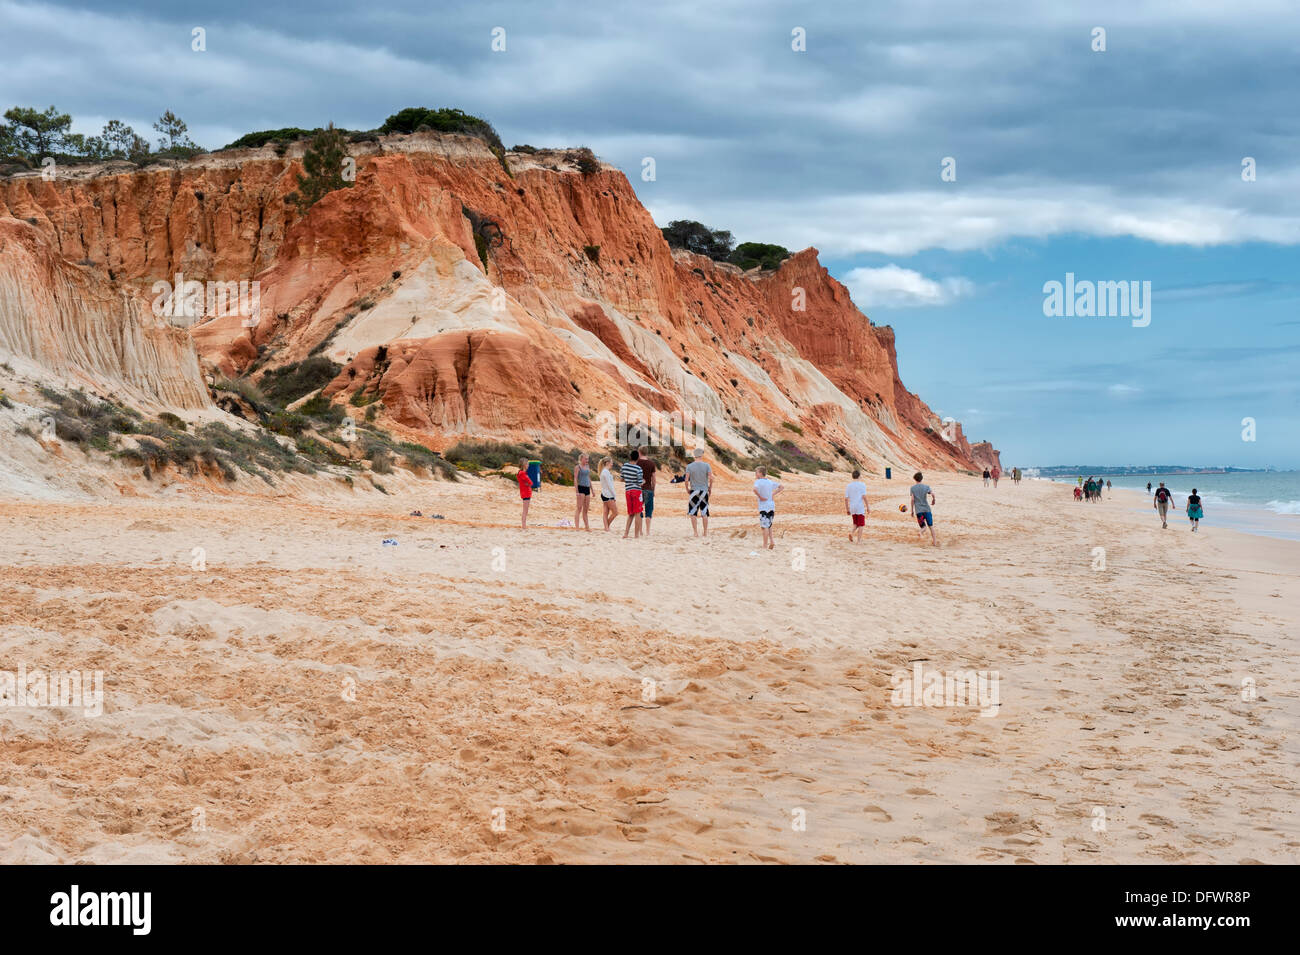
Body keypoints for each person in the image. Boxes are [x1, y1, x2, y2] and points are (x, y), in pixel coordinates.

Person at [684, 446, 713, 537]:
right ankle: (705, 532)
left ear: (694, 455)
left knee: (693, 512)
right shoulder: (707, 465)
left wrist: (687, 489)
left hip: (694, 491)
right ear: (701, 455)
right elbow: (711, 478)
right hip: (704, 491)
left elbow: (686, 480)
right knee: (704, 512)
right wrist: (710, 488)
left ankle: (695, 532)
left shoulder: (689, 466)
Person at [752, 466, 783, 550]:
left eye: (756, 472)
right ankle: (772, 541)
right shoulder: (770, 481)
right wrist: (773, 494)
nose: (755, 474)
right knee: (769, 524)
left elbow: (754, 490)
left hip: (764, 506)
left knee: (764, 527)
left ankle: (765, 545)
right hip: (771, 506)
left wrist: (760, 497)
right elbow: (781, 487)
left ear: (760, 473)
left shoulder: (758, 481)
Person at [620, 450, 645, 539]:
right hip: (636, 491)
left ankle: (626, 533)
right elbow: (639, 482)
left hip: (628, 491)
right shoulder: (638, 469)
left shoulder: (624, 466)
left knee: (630, 513)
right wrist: (643, 481)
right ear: (638, 458)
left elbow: (621, 479)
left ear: (630, 457)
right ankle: (636, 535)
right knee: (638, 513)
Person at [910, 471, 937, 546]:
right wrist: (933, 499)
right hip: (927, 510)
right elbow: (933, 494)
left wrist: (912, 511)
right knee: (931, 527)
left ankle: (920, 532)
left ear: (915, 479)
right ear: (921, 479)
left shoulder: (912, 488)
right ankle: (934, 543)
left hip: (919, 511)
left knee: (923, 527)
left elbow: (912, 500)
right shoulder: (926, 487)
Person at [637, 446, 658, 537]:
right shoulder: (651, 463)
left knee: (639, 510)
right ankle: (648, 531)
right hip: (648, 489)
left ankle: (640, 531)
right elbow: (654, 479)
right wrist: (653, 490)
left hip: (639, 490)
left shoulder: (637, 463)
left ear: (639, 452)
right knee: (649, 511)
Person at [845, 469, 870, 542]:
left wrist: (847, 509)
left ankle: (851, 533)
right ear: (859, 476)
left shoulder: (848, 486)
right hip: (859, 507)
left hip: (852, 507)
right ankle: (858, 541)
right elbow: (864, 497)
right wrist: (868, 507)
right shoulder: (862, 485)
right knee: (861, 525)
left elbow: (846, 499)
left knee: (855, 523)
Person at [572, 453, 592, 530]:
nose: (587, 460)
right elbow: (575, 479)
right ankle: (577, 527)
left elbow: (589, 478)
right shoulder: (577, 467)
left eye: (588, 459)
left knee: (586, 509)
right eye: (586, 459)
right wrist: (576, 491)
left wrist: (592, 489)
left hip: (587, 488)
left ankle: (587, 527)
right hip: (581, 488)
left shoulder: (587, 467)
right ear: (581, 459)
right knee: (579, 508)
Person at [599, 457, 618, 531]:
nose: (612, 464)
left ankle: (606, 528)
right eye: (611, 462)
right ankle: (607, 526)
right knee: (615, 512)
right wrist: (614, 495)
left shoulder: (604, 471)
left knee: (605, 512)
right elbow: (610, 485)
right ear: (607, 463)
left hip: (604, 494)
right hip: (608, 495)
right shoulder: (605, 472)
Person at [516, 458, 533, 530]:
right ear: (524, 465)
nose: (528, 465)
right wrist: (528, 483)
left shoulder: (522, 473)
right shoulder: (522, 473)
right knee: (525, 511)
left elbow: (529, 483)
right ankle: (523, 526)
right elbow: (530, 482)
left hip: (526, 492)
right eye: (527, 464)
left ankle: (524, 526)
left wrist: (528, 483)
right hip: (525, 493)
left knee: (526, 510)